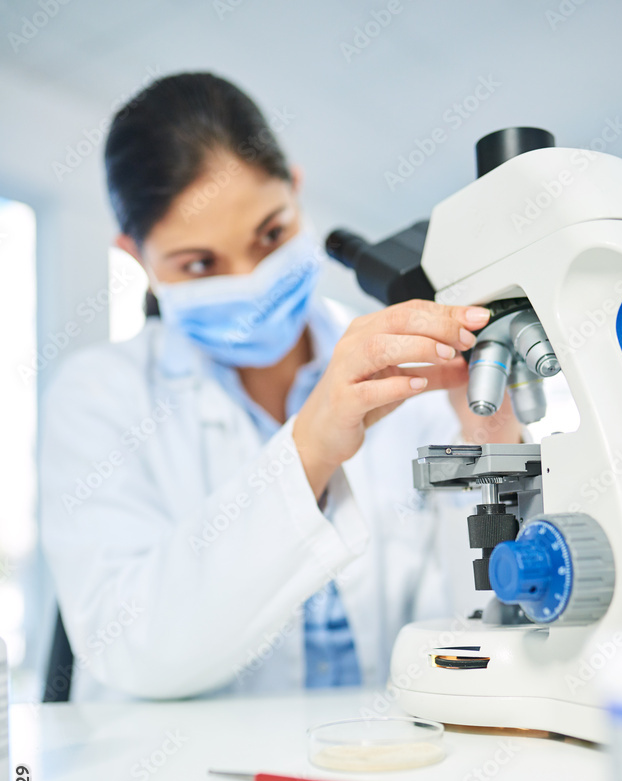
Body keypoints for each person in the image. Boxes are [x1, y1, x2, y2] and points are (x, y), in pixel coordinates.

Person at [40, 72, 521, 700]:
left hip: (389, 774)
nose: (250, 278)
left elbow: (496, 631)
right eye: (200, 264)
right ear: (137, 261)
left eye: (271, 234)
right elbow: (130, 649)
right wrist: (309, 451)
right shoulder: (99, 397)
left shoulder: (413, 381)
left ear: (295, 192)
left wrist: (489, 437)